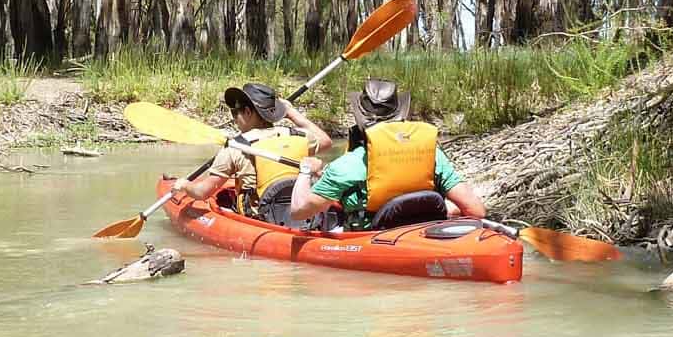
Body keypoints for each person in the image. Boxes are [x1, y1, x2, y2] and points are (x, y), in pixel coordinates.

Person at [288, 79, 487, 231]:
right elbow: (476, 211)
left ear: (360, 120)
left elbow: (298, 212)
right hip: (423, 234)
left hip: (369, 240)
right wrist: (444, 209)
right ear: (401, 115)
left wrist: (305, 171)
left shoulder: (347, 165)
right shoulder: (433, 156)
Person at [169, 81, 330, 219]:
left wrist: (185, 186)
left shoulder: (236, 147)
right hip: (301, 213)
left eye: (235, 111)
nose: (233, 117)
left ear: (247, 112)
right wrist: (291, 112)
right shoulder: (298, 136)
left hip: (261, 219)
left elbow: (202, 193)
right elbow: (326, 141)